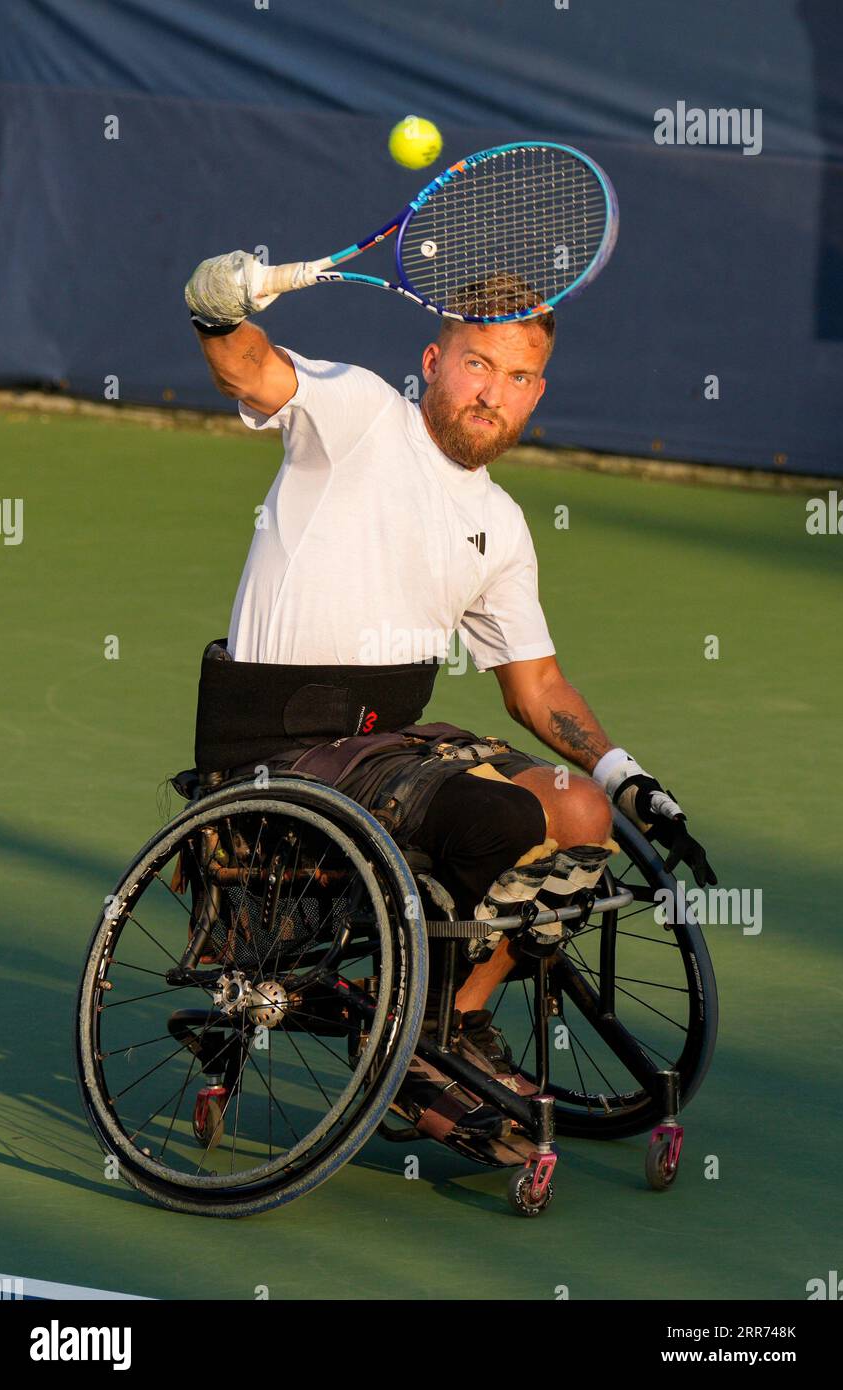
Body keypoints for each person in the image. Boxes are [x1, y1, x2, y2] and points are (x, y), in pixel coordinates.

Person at [183, 250, 715, 1150]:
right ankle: (415, 1042)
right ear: (432, 363)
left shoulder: (500, 527)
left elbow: (537, 686)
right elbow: (247, 365)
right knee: (498, 824)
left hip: (391, 744)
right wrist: (214, 303)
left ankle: (444, 1026)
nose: (491, 394)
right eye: (477, 365)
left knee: (580, 815)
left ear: (536, 395)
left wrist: (626, 775)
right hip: (281, 749)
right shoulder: (355, 413)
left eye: (517, 378)